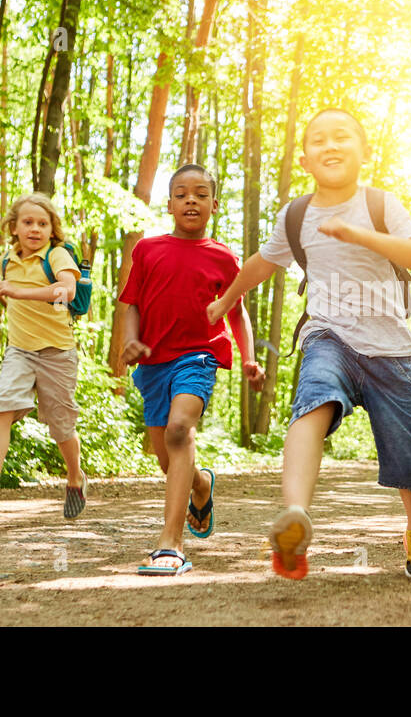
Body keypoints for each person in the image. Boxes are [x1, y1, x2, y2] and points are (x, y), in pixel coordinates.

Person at [207, 108, 411, 579]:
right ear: (305, 160)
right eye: (318, 139)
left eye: (342, 137)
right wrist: (226, 299)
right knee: (313, 400)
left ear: (364, 152)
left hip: (390, 349)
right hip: (328, 334)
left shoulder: (381, 204)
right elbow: (261, 263)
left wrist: (360, 234)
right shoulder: (297, 215)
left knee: (409, 457)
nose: (330, 145)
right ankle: (295, 515)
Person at [119, 164, 264, 575]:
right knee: (168, 460)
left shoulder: (223, 256)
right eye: (181, 194)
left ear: (214, 205)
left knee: (180, 429)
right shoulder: (147, 250)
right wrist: (131, 341)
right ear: (169, 205)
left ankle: (171, 543)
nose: (191, 201)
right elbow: (131, 304)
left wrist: (249, 358)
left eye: (201, 194)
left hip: (198, 356)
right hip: (153, 363)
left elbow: (237, 313)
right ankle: (200, 484)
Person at [0, 193, 87, 519]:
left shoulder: (57, 255)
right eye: (28, 222)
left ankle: (75, 477)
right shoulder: (7, 260)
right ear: (14, 227)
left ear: (52, 229)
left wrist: (19, 292)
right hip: (18, 351)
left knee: (62, 427)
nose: (35, 229)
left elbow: (67, 291)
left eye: (42, 223)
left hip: (57, 353)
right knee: (0, 410)